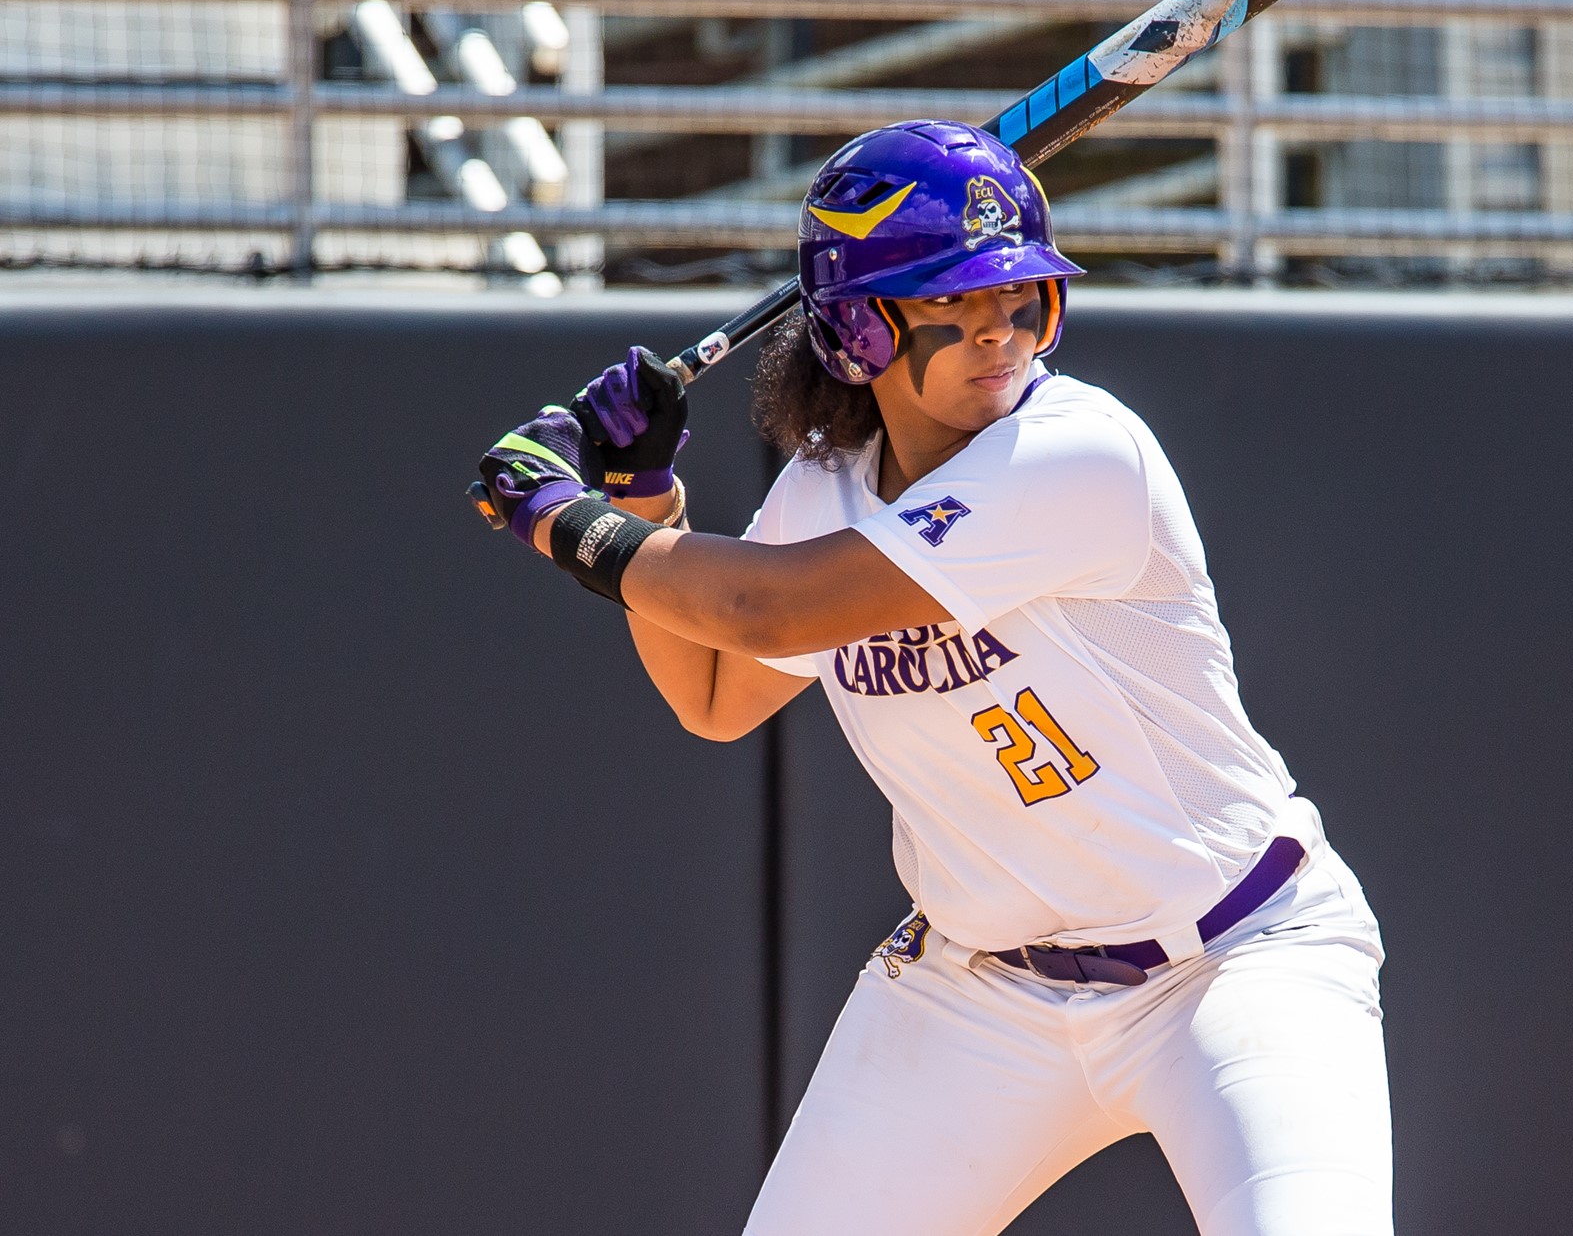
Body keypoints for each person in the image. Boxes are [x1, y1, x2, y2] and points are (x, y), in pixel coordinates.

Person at [477, 120, 1392, 1236]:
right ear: (858, 329)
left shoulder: (1077, 449)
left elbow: (769, 606)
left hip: (1235, 958)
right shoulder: (830, 485)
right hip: (979, 991)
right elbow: (714, 694)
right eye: (953, 301)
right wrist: (638, 492)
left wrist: (561, 520)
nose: (999, 329)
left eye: (1018, 293)